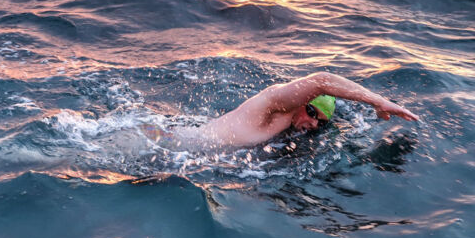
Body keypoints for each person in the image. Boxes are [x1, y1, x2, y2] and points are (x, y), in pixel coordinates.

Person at [164, 71, 419, 150]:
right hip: (169, 145)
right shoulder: (273, 107)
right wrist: (377, 101)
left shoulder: (286, 128)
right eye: (311, 111)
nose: (313, 123)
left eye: (321, 122)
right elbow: (321, 80)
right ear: (301, 102)